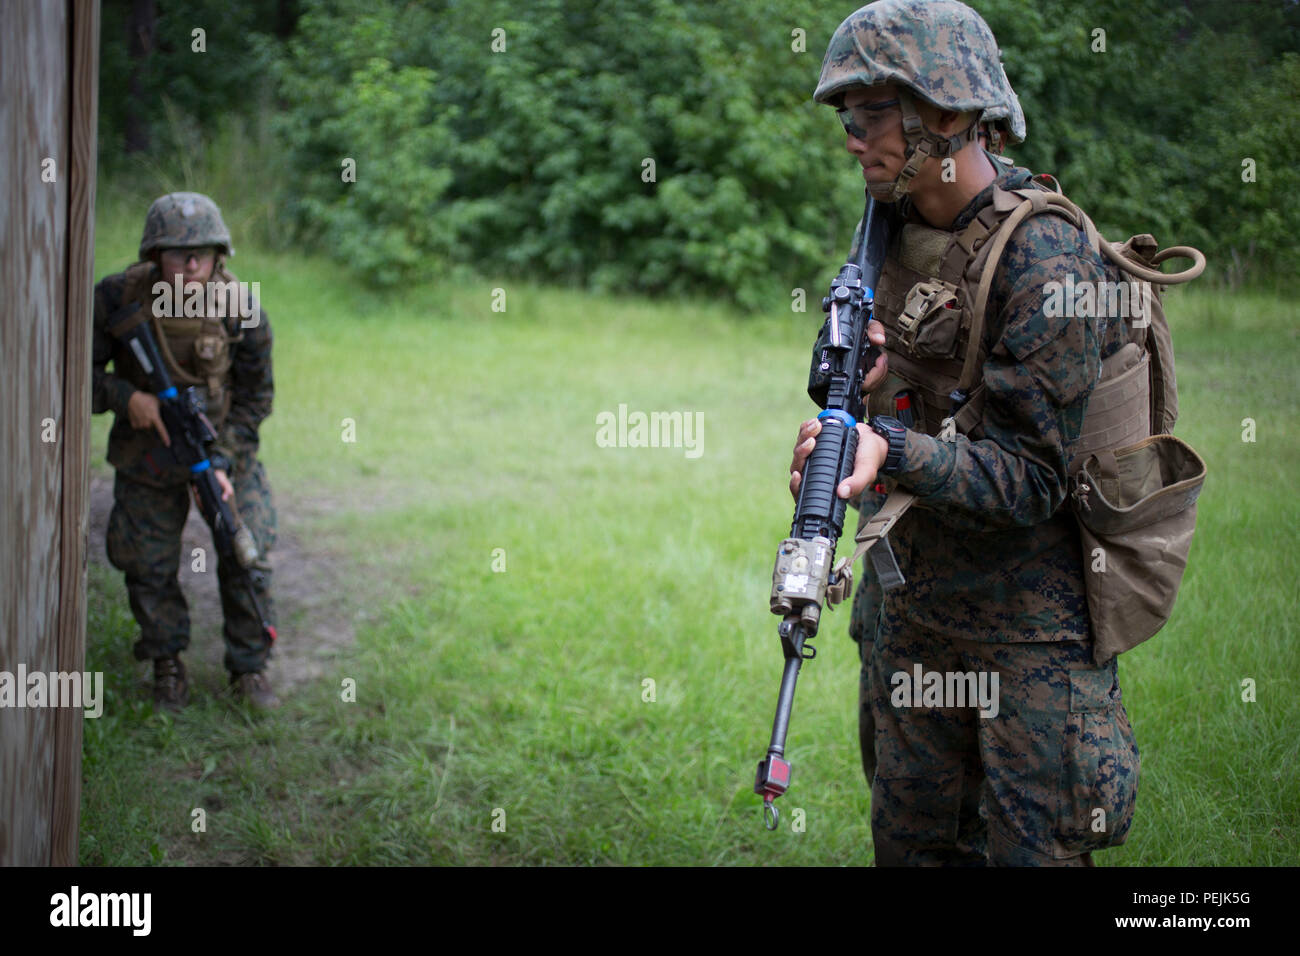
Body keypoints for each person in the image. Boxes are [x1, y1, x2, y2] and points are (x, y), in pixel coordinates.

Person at [789, 0, 1140, 865]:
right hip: (911, 619)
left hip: (1026, 650)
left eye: (869, 116)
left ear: (944, 117)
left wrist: (890, 453)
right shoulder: (895, 227)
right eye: (847, 118)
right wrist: (861, 403)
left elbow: (1030, 479)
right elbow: (919, 399)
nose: (850, 140)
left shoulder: (1048, 260)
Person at [92, 191, 281, 710]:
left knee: (249, 552)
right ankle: (166, 662)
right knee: (146, 562)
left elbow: (256, 397)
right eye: (178, 252)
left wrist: (223, 462)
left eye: (202, 251)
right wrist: (126, 398)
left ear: (220, 255)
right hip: (146, 452)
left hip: (219, 450)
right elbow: (69, 377)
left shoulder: (241, 309)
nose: (192, 263)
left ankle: (249, 668)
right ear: (155, 255)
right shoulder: (117, 299)